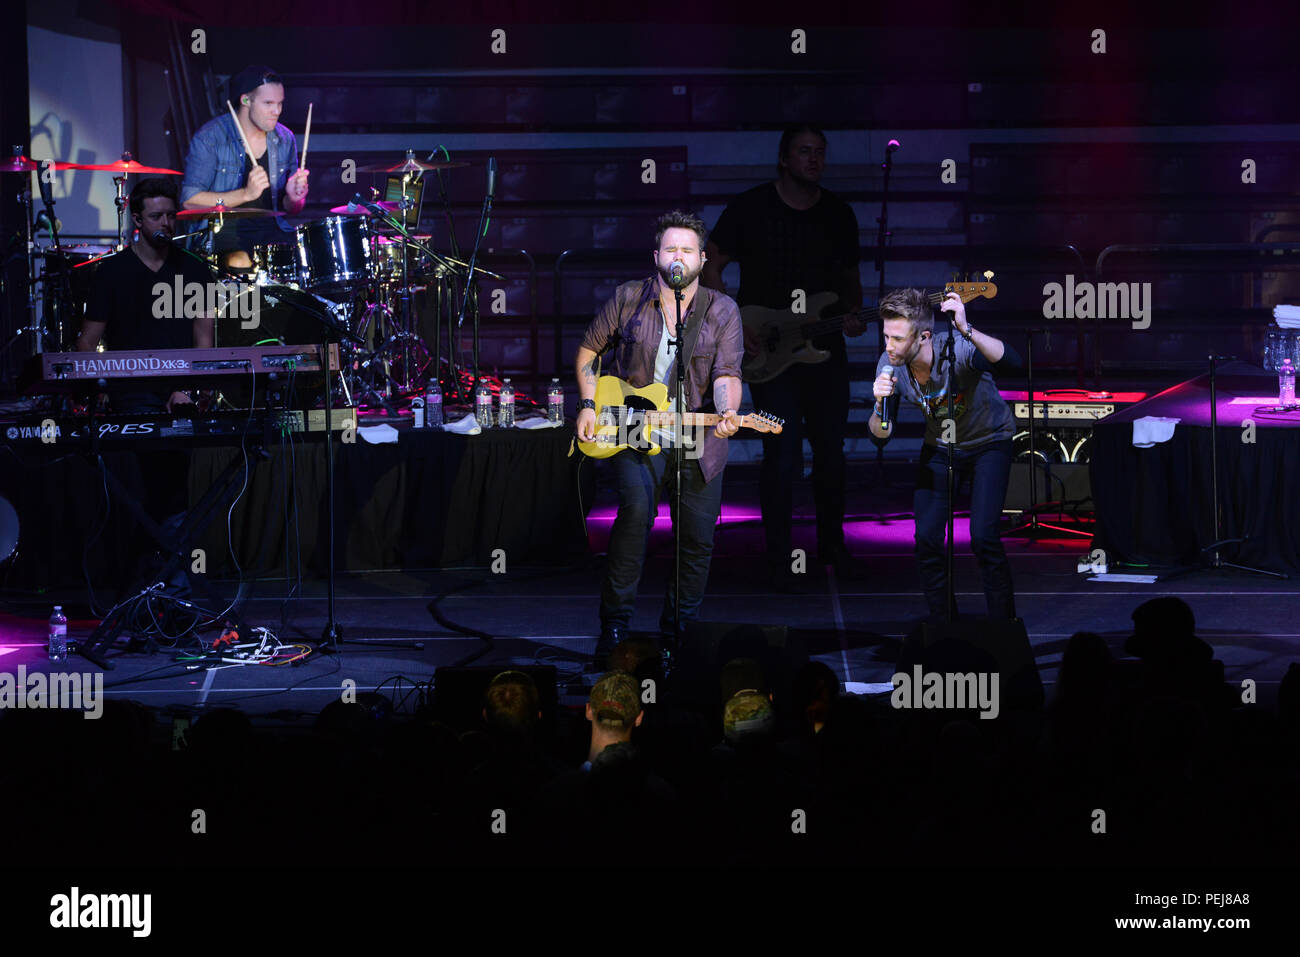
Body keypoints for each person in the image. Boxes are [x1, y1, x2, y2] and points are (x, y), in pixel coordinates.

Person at [701, 125, 865, 588]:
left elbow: (849, 276)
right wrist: (734, 322)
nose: (813, 160)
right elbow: (711, 258)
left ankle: (833, 546)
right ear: (783, 158)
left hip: (823, 345)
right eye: (804, 152)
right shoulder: (751, 206)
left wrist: (854, 313)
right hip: (767, 346)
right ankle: (779, 555)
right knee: (782, 452)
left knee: (831, 452)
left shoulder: (838, 214)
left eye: (820, 153)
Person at [575, 209, 744, 658]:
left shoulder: (722, 309)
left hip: (697, 436)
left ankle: (681, 635)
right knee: (634, 518)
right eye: (670, 248)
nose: (678, 257)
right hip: (635, 429)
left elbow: (728, 372)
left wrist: (728, 411)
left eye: (687, 250)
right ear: (656, 255)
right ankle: (613, 629)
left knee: (696, 538)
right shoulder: (629, 298)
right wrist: (590, 404)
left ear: (702, 259)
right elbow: (589, 353)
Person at [869, 287, 1021, 621]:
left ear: (923, 336)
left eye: (896, 338)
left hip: (989, 443)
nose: (888, 346)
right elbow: (882, 436)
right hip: (940, 448)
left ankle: (1003, 627)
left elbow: (1012, 361)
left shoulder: (956, 349)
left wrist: (966, 328)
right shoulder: (889, 364)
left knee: (983, 538)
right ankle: (944, 624)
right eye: (885, 336)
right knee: (926, 539)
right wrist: (881, 403)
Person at [77, 177, 214, 413]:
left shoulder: (196, 269)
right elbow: (88, 341)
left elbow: (204, 340)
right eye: (156, 216)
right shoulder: (112, 270)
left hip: (181, 390)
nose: (166, 223)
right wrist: (94, 389)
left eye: (171, 215)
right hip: (128, 389)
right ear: (137, 220)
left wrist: (192, 390)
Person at [180, 65, 309, 269]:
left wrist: (295, 198)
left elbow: (291, 210)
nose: (277, 111)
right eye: (268, 103)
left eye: (280, 104)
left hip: (270, 231)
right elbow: (189, 201)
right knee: (240, 261)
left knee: (310, 257)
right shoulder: (210, 138)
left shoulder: (284, 138)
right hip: (222, 234)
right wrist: (245, 194)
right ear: (245, 100)